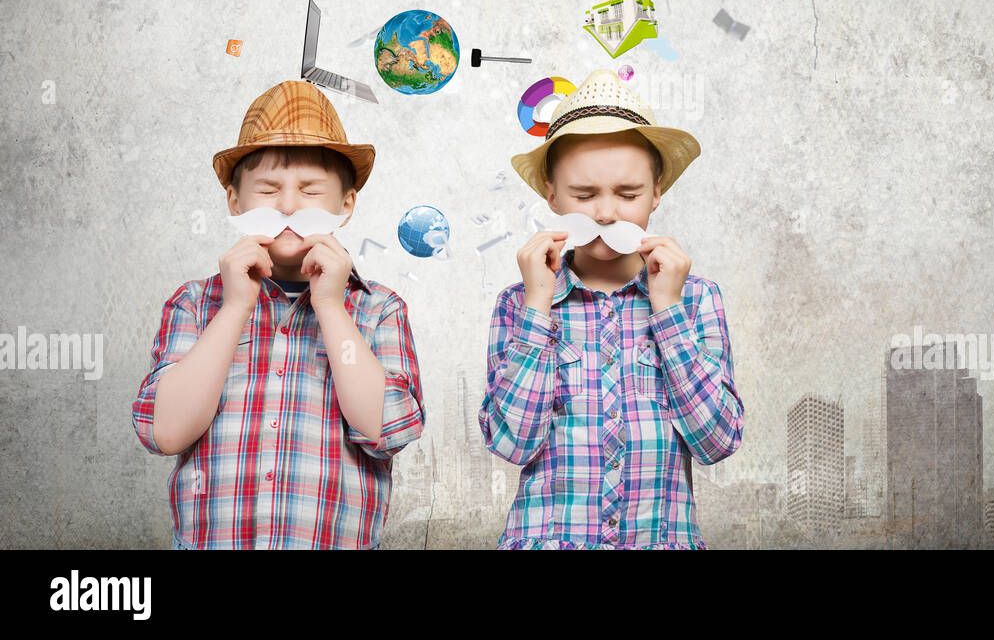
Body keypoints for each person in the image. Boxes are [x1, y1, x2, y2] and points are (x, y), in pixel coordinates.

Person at [131, 79, 424, 548]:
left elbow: (388, 428)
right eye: (268, 190)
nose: (288, 206)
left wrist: (329, 304)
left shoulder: (378, 309)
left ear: (345, 205)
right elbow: (164, 432)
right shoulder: (194, 304)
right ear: (235, 202)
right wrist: (235, 308)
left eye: (310, 191)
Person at [479, 69, 743, 548]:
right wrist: (539, 306)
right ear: (551, 193)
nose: (605, 213)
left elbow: (718, 441)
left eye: (628, 194)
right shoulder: (520, 302)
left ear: (657, 192)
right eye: (584, 195)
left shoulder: (698, 298)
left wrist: (667, 313)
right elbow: (510, 443)